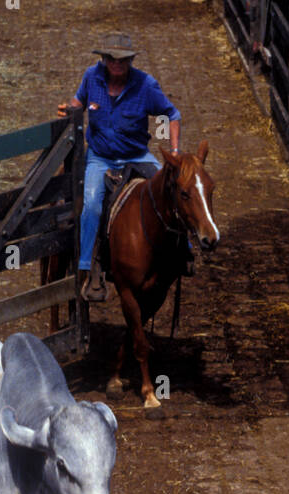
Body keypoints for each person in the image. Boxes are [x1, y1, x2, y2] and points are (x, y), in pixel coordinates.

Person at [58, 33, 182, 301]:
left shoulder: (146, 85)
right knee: (91, 203)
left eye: (122, 60)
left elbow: (172, 114)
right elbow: (78, 102)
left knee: (172, 187)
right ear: (103, 59)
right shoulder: (92, 77)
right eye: (111, 59)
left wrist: (174, 151)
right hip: (100, 157)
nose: (116, 65)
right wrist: (68, 109)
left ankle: (185, 251)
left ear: (130, 61)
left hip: (137, 155)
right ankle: (88, 268)